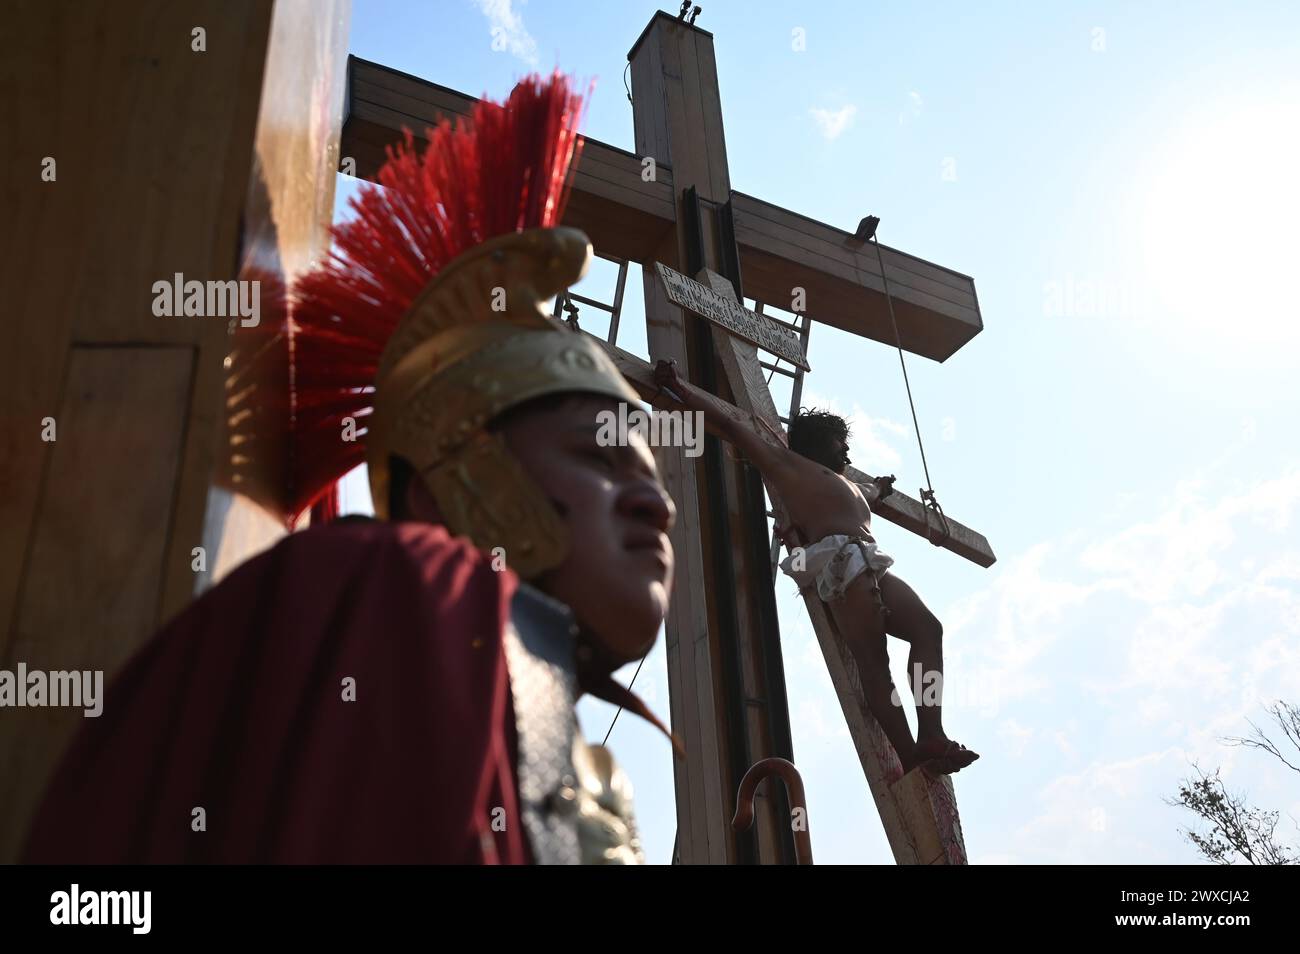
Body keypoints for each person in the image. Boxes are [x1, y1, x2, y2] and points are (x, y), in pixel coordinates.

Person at [22, 74, 677, 865]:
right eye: (596, 458)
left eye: (651, 472)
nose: (656, 505)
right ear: (455, 481)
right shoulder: (398, 592)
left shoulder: (553, 730)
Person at [652, 359, 976, 775]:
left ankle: (931, 731)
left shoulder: (847, 484)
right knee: (875, 666)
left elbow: (872, 493)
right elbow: (733, 428)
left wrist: (881, 486)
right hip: (844, 570)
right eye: (841, 444)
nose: (847, 452)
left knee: (928, 630)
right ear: (819, 445)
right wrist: (680, 386)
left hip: (871, 563)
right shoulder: (789, 467)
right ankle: (910, 752)